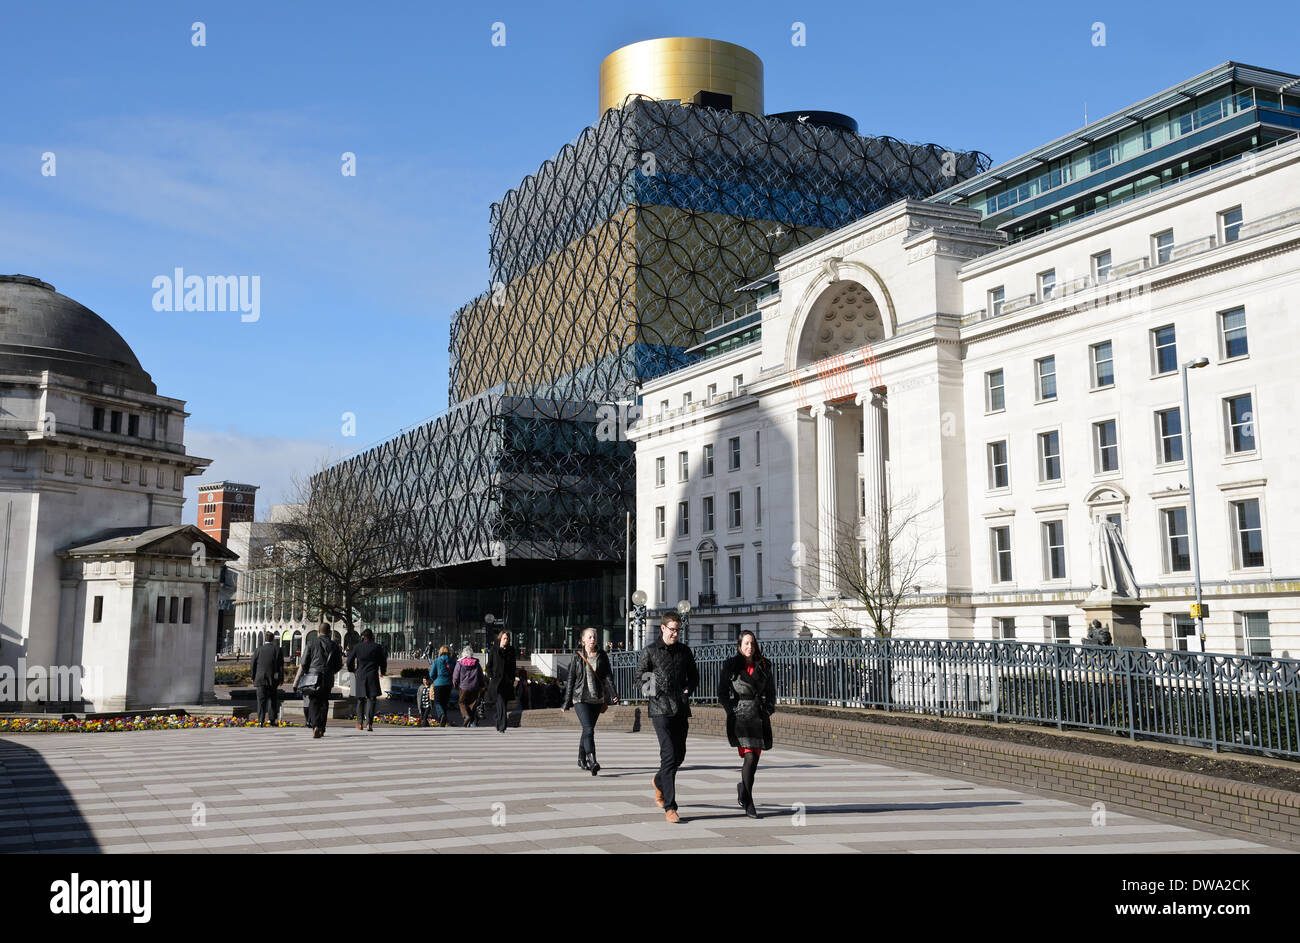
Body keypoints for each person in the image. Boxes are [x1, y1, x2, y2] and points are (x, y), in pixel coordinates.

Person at [638, 613, 698, 823]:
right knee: (669, 755)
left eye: (678, 630)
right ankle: (670, 808)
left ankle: (658, 781)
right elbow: (641, 676)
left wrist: (688, 689)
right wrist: (654, 693)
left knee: (680, 755)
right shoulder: (651, 651)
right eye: (672, 629)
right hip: (660, 709)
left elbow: (695, 676)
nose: (675, 633)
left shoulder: (684, 651)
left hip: (680, 708)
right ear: (662, 628)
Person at [718, 630, 776, 819]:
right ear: (739, 646)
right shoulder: (731, 665)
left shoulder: (765, 665)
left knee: (754, 761)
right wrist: (731, 710)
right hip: (741, 715)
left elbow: (771, 693)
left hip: (758, 716)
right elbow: (722, 693)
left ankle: (743, 788)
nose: (749, 647)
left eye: (752, 643)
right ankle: (749, 802)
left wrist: (768, 708)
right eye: (746, 644)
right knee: (749, 757)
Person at [563, 627, 618, 775]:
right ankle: (592, 761)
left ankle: (581, 758)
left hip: (597, 699)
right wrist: (567, 701)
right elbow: (571, 679)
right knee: (589, 730)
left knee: (587, 730)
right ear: (583, 640)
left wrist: (613, 693)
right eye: (589, 637)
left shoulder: (602, 656)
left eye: (594, 637)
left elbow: (608, 676)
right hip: (580, 698)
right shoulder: (577, 657)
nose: (592, 639)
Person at [296, 624, 342, 738]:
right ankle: (322, 728)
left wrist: (308, 672)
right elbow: (338, 664)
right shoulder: (334, 645)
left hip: (313, 675)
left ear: (318, 631)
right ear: (329, 632)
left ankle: (315, 725)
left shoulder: (311, 643)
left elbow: (304, 661)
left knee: (313, 701)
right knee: (324, 702)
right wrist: (332, 671)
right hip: (327, 676)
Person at [345, 629, 388, 732]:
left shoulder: (357, 647)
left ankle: (359, 723)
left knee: (360, 699)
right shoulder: (377, 647)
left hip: (360, 675)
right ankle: (369, 723)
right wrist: (382, 671)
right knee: (371, 699)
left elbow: (349, 660)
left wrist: (352, 670)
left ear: (363, 637)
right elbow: (383, 661)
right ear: (372, 636)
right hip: (372, 675)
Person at [485, 630, 517, 733]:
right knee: (501, 703)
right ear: (500, 639)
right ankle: (503, 726)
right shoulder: (494, 649)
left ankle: (498, 721)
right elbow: (488, 666)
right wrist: (491, 677)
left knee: (503, 705)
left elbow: (513, 666)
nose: (506, 640)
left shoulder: (511, 650)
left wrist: (512, 679)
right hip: (496, 683)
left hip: (507, 682)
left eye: (507, 639)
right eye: (504, 638)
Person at [250, 630, 284, 727]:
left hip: (260, 678)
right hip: (273, 679)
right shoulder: (277, 649)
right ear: (273, 639)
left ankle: (261, 721)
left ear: (265, 639)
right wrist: (281, 678)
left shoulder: (258, 649)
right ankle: (272, 720)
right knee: (272, 699)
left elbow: (253, 664)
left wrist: (253, 676)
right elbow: (280, 665)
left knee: (261, 700)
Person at [452, 646, 484, 727]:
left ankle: (466, 716)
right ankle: (471, 722)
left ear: (463, 653)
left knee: (461, 702)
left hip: (463, 687)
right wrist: (482, 685)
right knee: (472, 704)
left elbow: (455, 676)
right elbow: (480, 675)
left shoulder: (459, 663)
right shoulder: (476, 663)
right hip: (475, 687)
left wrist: (455, 684)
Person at [430, 644, 455, 727]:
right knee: (444, 702)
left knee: (437, 702)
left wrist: (435, 679)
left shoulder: (437, 661)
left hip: (438, 684)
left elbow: (432, 674)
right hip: (448, 684)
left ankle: (442, 715)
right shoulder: (453, 661)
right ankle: (443, 720)